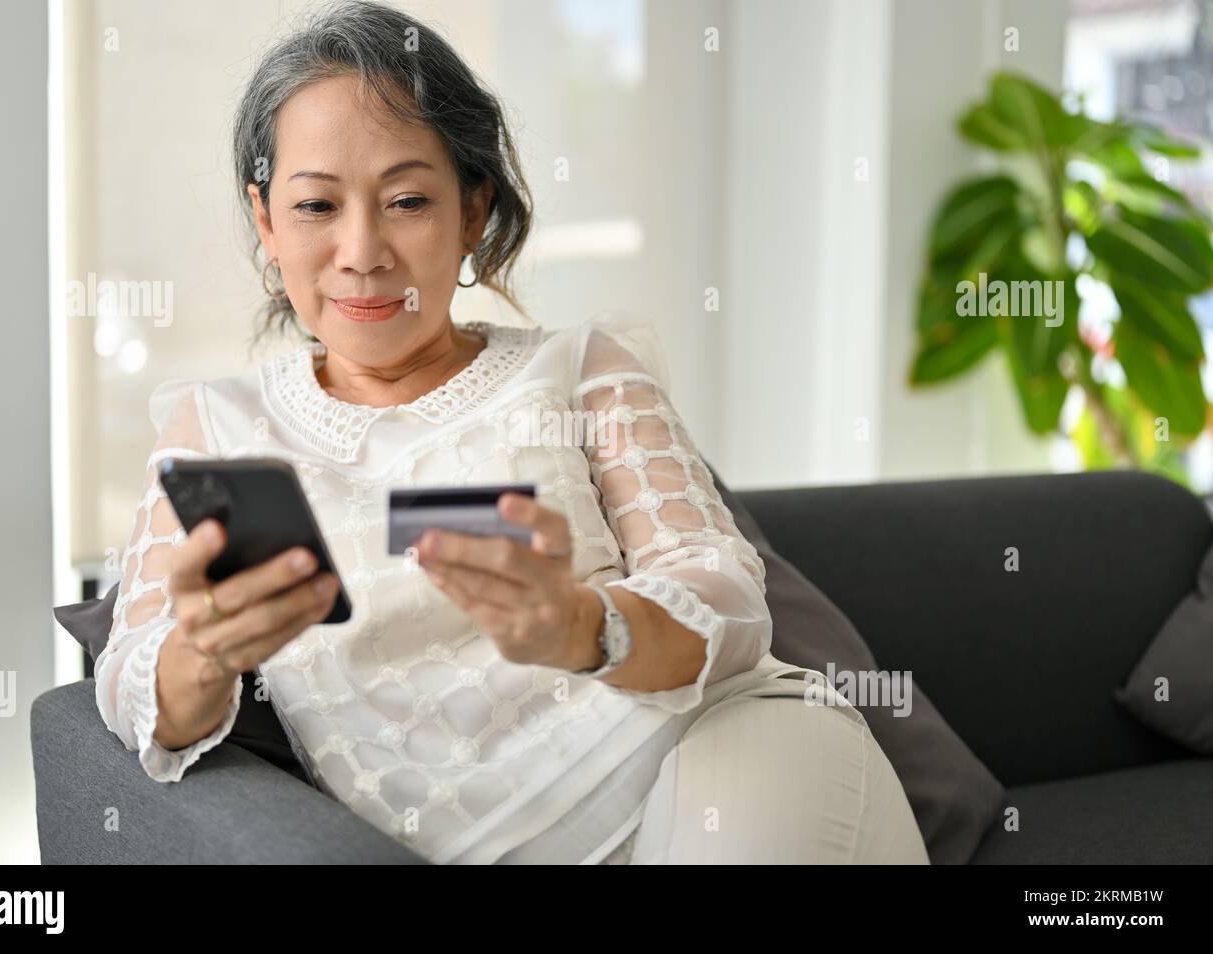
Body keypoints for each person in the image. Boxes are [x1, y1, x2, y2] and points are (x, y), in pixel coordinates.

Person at [93, 0, 928, 865]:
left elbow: (726, 595)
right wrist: (205, 651)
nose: (362, 249)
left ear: (472, 212)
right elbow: (127, 690)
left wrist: (582, 625)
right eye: (315, 207)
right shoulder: (218, 427)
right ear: (266, 221)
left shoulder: (580, 367)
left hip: (719, 755)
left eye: (408, 199)